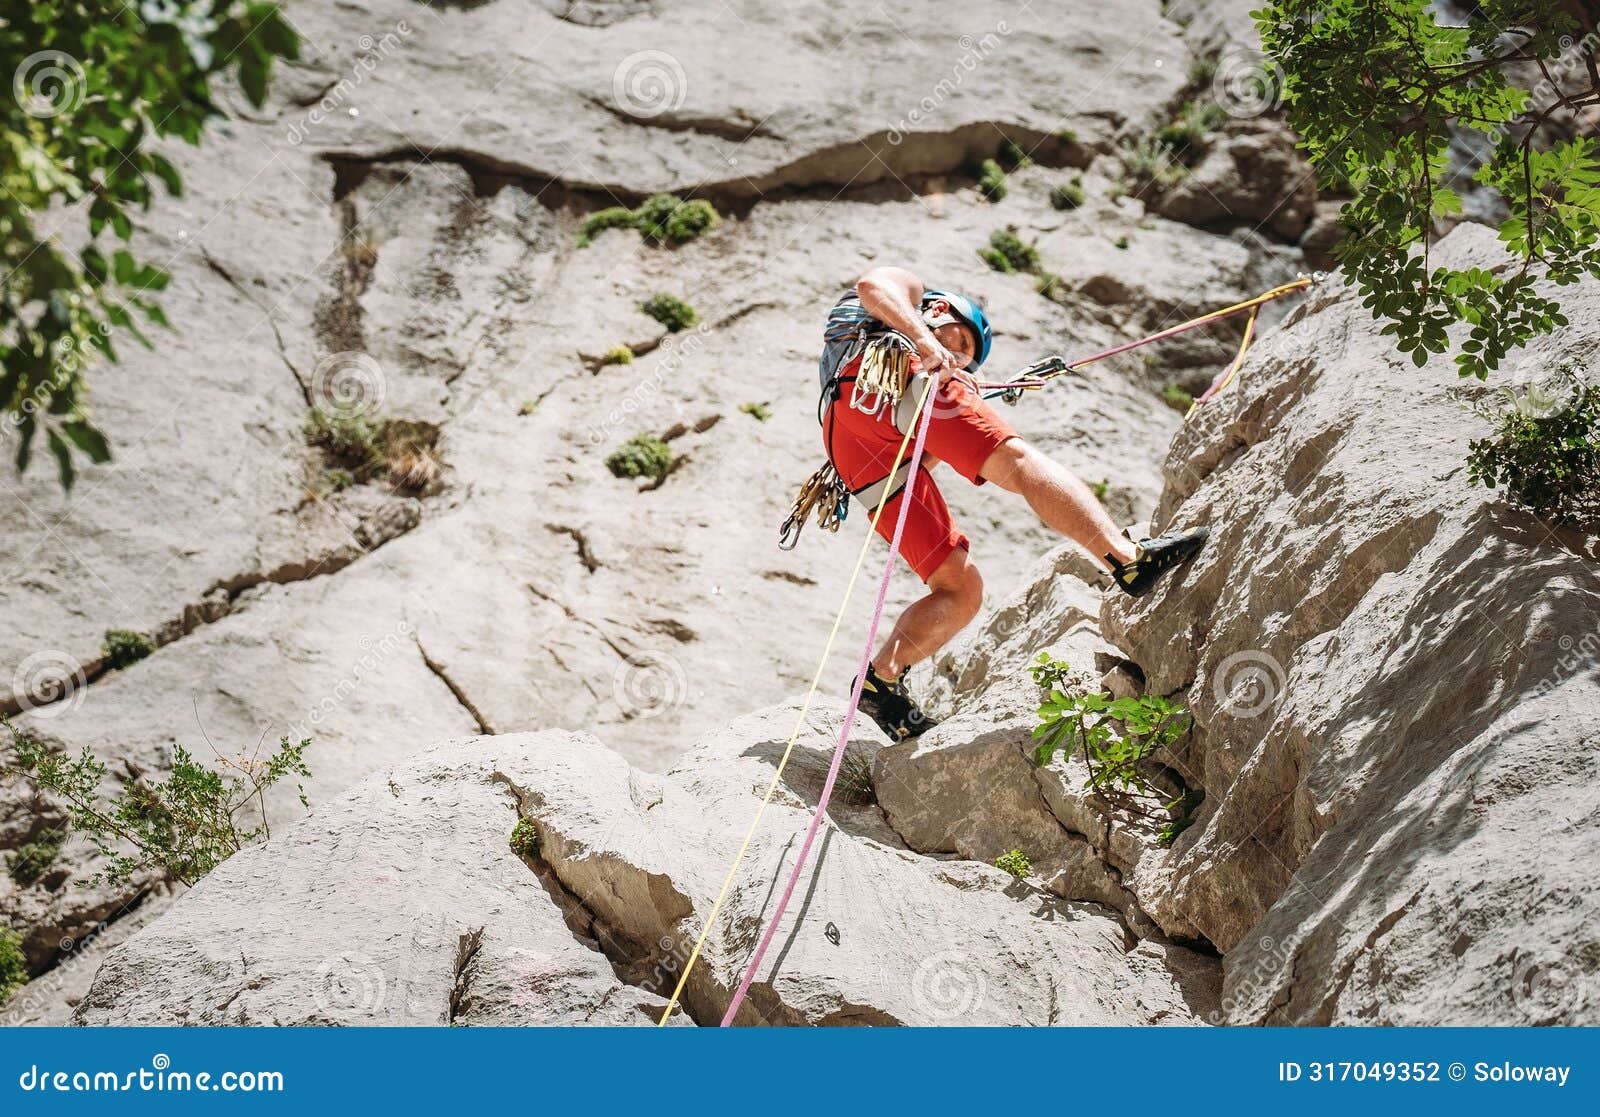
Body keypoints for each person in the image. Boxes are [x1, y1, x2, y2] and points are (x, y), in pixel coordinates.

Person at [817, 266, 1208, 741]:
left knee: (960, 588)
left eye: (967, 358)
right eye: (962, 342)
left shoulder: (896, 350)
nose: (960, 359)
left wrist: (972, 392)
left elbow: (927, 453)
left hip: (853, 444)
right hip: (888, 372)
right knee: (1019, 462)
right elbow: (871, 286)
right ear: (939, 310)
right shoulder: (910, 299)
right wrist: (926, 343)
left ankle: (879, 682)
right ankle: (1126, 558)